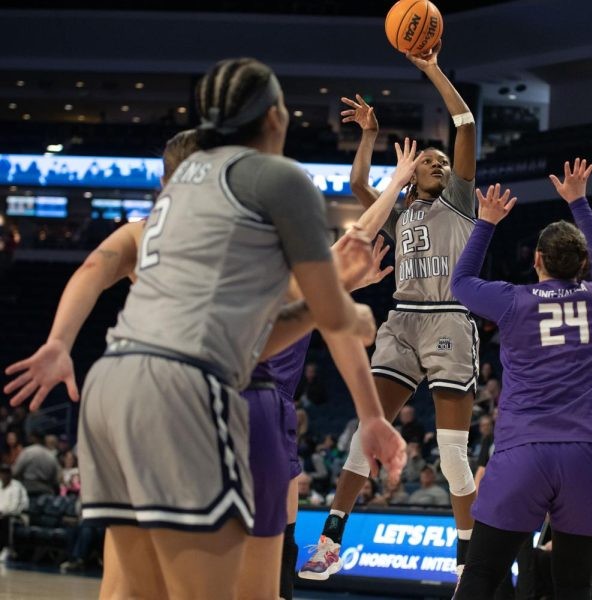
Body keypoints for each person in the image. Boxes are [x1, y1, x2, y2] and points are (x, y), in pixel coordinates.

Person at [9, 58, 406, 599]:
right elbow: (327, 314)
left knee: (128, 588)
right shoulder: (273, 182)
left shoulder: (174, 201)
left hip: (113, 382)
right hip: (203, 388)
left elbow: (96, 267)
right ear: (273, 118)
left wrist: (59, 342)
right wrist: (345, 323)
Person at [301, 41, 481, 581]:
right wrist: (370, 136)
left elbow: (465, 125)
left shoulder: (460, 201)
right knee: (366, 428)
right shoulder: (401, 211)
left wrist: (431, 69)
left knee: (452, 453)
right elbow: (359, 185)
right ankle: (331, 541)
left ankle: (469, 565)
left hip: (449, 317)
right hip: (401, 320)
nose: (437, 162)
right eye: (428, 159)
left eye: (442, 161)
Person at [449, 158, 592, 600]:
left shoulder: (513, 300)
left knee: (481, 574)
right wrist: (580, 201)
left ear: (537, 259)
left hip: (525, 448)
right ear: (581, 262)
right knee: (574, 585)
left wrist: (486, 223)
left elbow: (462, 281)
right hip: (588, 449)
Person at [0, 464, 28, 562]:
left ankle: (7, 548)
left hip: (18, 516)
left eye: (6, 473)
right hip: (1, 514)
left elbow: (16, 507)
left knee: (5, 519)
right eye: (2, 473)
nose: (4, 476)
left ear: (10, 474)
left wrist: (3, 513)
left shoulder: (17, 487)